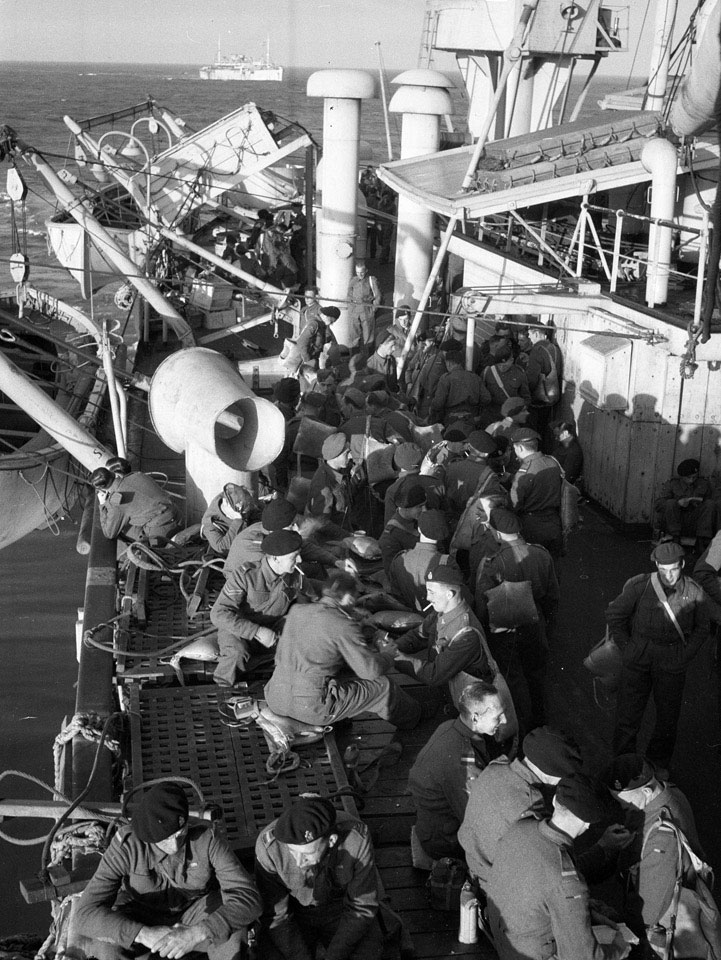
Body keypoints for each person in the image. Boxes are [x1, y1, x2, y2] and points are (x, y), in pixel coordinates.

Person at [73, 782, 261, 960]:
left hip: (194, 913)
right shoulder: (126, 847)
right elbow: (84, 914)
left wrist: (198, 932)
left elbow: (249, 897)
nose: (174, 844)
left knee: (231, 929)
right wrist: (142, 933)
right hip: (142, 916)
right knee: (106, 945)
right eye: (164, 839)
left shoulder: (207, 839)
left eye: (180, 834)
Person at [486, 774, 629, 960]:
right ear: (587, 824)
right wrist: (620, 948)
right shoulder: (567, 880)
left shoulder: (519, 828)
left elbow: (541, 888)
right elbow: (582, 957)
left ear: (555, 801)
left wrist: (586, 913)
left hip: (506, 941)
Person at [264, 572, 421, 729]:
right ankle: (417, 718)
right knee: (383, 687)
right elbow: (370, 671)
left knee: (338, 671)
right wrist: (388, 655)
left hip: (276, 697)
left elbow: (319, 639)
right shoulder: (344, 624)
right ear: (348, 598)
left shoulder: (296, 611)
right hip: (313, 708)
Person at [607, 540, 710, 774]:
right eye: (663, 570)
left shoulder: (694, 592)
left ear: (682, 564)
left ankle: (658, 766)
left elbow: (703, 627)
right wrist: (627, 648)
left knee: (667, 719)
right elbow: (614, 614)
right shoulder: (640, 586)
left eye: (673, 569)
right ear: (656, 566)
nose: (669, 576)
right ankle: (623, 769)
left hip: (672, 659)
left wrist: (684, 656)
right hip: (639, 656)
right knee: (628, 716)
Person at [254, 796, 391, 960]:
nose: (298, 862)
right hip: (294, 919)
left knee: (371, 952)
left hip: (341, 914)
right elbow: (276, 916)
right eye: (292, 852)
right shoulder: (270, 848)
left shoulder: (356, 839)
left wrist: (334, 956)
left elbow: (361, 906)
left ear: (331, 840)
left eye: (307, 854)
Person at [459, 726, 582, 890]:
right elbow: (546, 868)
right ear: (552, 772)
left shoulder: (494, 768)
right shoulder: (530, 807)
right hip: (497, 889)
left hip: (475, 866)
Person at [475, 507, 559, 728]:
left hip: (505, 630)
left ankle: (517, 725)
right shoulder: (541, 554)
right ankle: (540, 722)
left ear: (498, 534)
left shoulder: (493, 562)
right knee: (536, 677)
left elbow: (484, 603)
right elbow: (552, 596)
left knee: (510, 678)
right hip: (535, 624)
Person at [602, 753, 701, 938]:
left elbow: (647, 913)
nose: (623, 808)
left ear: (647, 791)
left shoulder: (662, 839)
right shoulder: (669, 792)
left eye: (626, 805)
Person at [407, 681, 508, 864]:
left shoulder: (450, 726)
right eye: (498, 717)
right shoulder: (463, 762)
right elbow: (475, 821)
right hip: (445, 841)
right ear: (475, 718)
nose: (504, 722)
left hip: (435, 822)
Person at [392, 557, 499, 708]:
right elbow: (418, 635)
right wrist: (392, 646)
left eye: (431, 592)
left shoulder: (466, 633)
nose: (428, 598)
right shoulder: (441, 612)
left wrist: (394, 657)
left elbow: (433, 674)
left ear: (449, 594)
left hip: (467, 704)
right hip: (447, 692)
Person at [210, 529, 304, 687]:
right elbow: (218, 613)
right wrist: (257, 632)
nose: (300, 560)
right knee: (236, 654)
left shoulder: (294, 576)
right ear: (276, 558)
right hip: (239, 629)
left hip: (273, 630)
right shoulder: (246, 575)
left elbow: (313, 592)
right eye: (295, 556)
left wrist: (339, 590)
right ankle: (224, 692)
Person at [91, 466, 182, 546]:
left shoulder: (115, 502)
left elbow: (109, 533)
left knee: (141, 545)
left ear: (102, 488)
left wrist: (103, 504)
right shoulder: (137, 475)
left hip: (162, 534)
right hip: (178, 516)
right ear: (111, 473)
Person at [510, 426, 564, 560]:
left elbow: (514, 504)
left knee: (533, 568)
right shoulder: (553, 462)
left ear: (520, 448)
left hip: (532, 528)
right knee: (553, 568)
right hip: (554, 524)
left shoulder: (524, 471)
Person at [388, 509, 450, 611]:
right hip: (437, 622)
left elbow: (395, 595)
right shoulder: (446, 563)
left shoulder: (400, 559)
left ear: (419, 529)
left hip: (408, 618)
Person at [654, 458, 718, 548]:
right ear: (681, 476)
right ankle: (675, 539)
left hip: (697, 523)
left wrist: (701, 502)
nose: (692, 480)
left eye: (694, 477)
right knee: (670, 503)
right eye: (688, 477)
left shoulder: (704, 483)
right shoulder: (672, 484)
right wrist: (678, 503)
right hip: (677, 523)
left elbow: (713, 503)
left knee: (710, 504)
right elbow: (658, 504)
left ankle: (701, 541)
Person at [428, 350, 491, 426]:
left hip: (451, 420)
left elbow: (438, 403)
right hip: (472, 419)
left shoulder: (446, 378)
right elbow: (487, 398)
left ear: (449, 363)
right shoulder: (475, 377)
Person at [306, 433, 354, 527]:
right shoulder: (323, 484)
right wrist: (349, 537)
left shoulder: (340, 471)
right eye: (346, 453)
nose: (351, 456)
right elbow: (321, 524)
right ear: (334, 456)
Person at [378, 483, 426, 574]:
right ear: (406, 508)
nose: (424, 510)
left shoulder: (420, 519)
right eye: (419, 507)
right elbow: (392, 572)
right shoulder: (390, 537)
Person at [201, 483, 258, 558]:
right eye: (243, 513)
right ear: (226, 504)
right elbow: (221, 548)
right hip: (231, 553)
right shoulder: (210, 525)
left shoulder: (232, 495)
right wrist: (238, 520)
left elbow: (254, 511)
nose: (245, 514)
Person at [347, 261, 381, 352]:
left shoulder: (371, 280)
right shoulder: (353, 280)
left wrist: (373, 310)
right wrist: (351, 309)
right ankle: (354, 360)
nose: (359, 275)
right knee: (354, 337)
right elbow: (349, 295)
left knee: (369, 337)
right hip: (355, 311)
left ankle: (369, 360)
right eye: (357, 272)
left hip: (367, 311)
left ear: (366, 270)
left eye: (361, 272)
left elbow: (377, 296)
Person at [551, 420, 584, 487]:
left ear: (566, 433)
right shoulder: (563, 446)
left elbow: (567, 477)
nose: (555, 438)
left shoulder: (573, 451)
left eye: (558, 435)